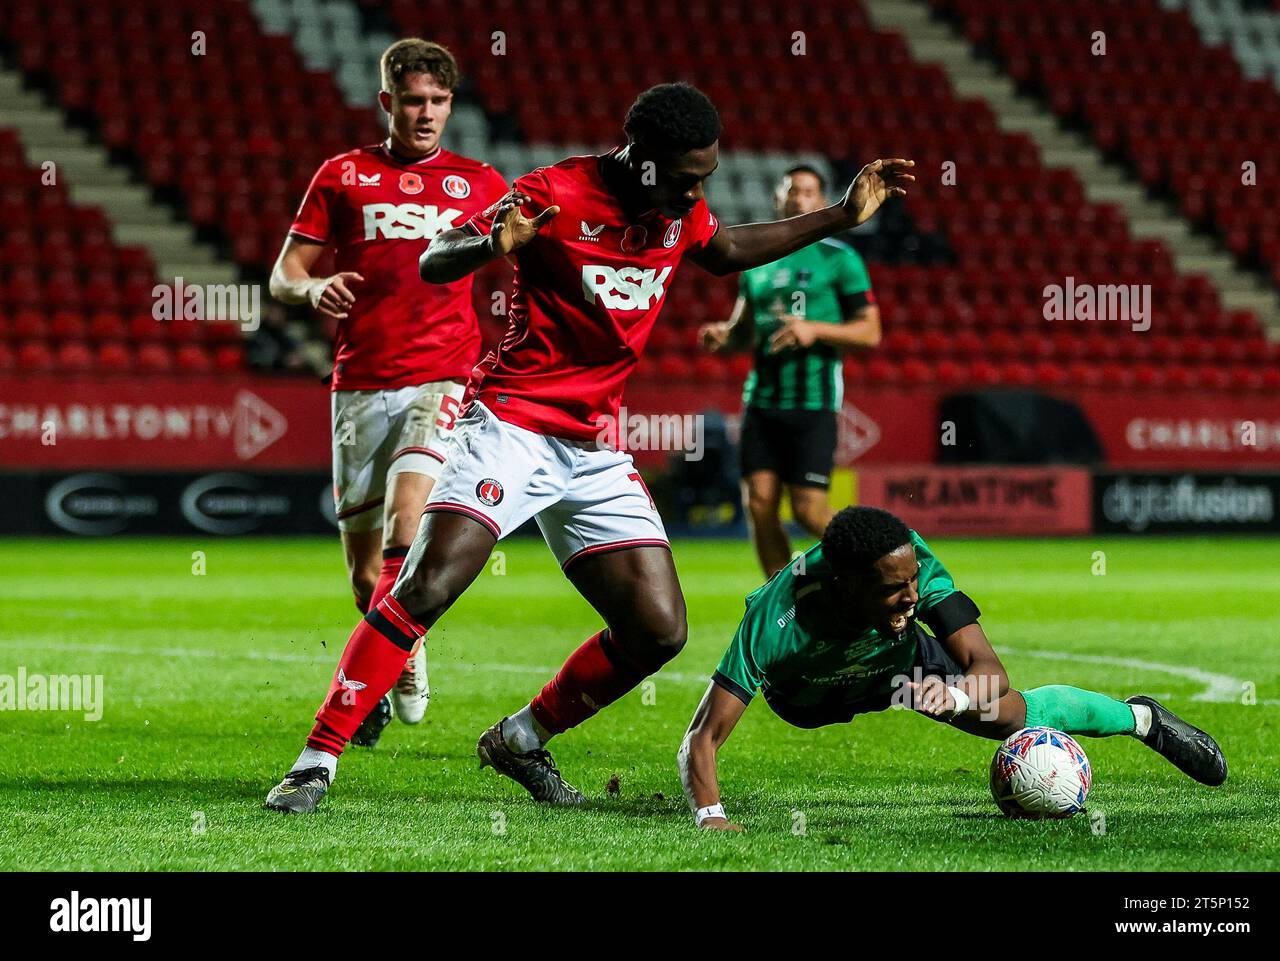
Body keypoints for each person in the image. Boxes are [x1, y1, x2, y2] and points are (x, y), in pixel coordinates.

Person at [265, 81, 914, 813]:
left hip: (593, 444)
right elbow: (434, 259)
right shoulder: (554, 193)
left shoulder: (679, 208)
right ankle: (314, 762)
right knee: (429, 584)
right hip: (510, 424)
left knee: (659, 629)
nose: (696, 191)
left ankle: (520, 738)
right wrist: (490, 241)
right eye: (685, 176)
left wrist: (839, 216)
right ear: (639, 159)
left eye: (705, 177)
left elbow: (727, 249)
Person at [679, 505, 1228, 831]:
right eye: (894, 589)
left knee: (1010, 715)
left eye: (913, 581)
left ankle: (1140, 719)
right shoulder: (777, 616)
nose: (912, 596)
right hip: (807, 696)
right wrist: (711, 816)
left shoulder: (909, 559)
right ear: (847, 584)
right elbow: (701, 739)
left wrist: (961, 698)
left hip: (898, 666)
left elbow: (988, 667)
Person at [268, 39, 506, 743]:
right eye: (412, 101)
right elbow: (283, 275)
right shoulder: (342, 175)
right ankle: (403, 645)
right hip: (360, 386)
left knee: (410, 526)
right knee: (364, 568)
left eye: (437, 101)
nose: (425, 113)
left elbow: (532, 259)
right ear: (387, 102)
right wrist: (313, 287)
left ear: (451, 105)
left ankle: (400, 658)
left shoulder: (483, 183)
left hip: (444, 375)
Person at [700, 166, 881, 577]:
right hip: (761, 401)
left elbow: (870, 332)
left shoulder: (840, 259)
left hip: (813, 401)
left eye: (808, 192)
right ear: (778, 200)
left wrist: (812, 329)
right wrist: (723, 336)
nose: (800, 198)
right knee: (759, 503)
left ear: (821, 201)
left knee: (808, 510)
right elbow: (743, 331)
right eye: (792, 191)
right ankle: (782, 599)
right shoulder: (756, 262)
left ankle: (882, 563)